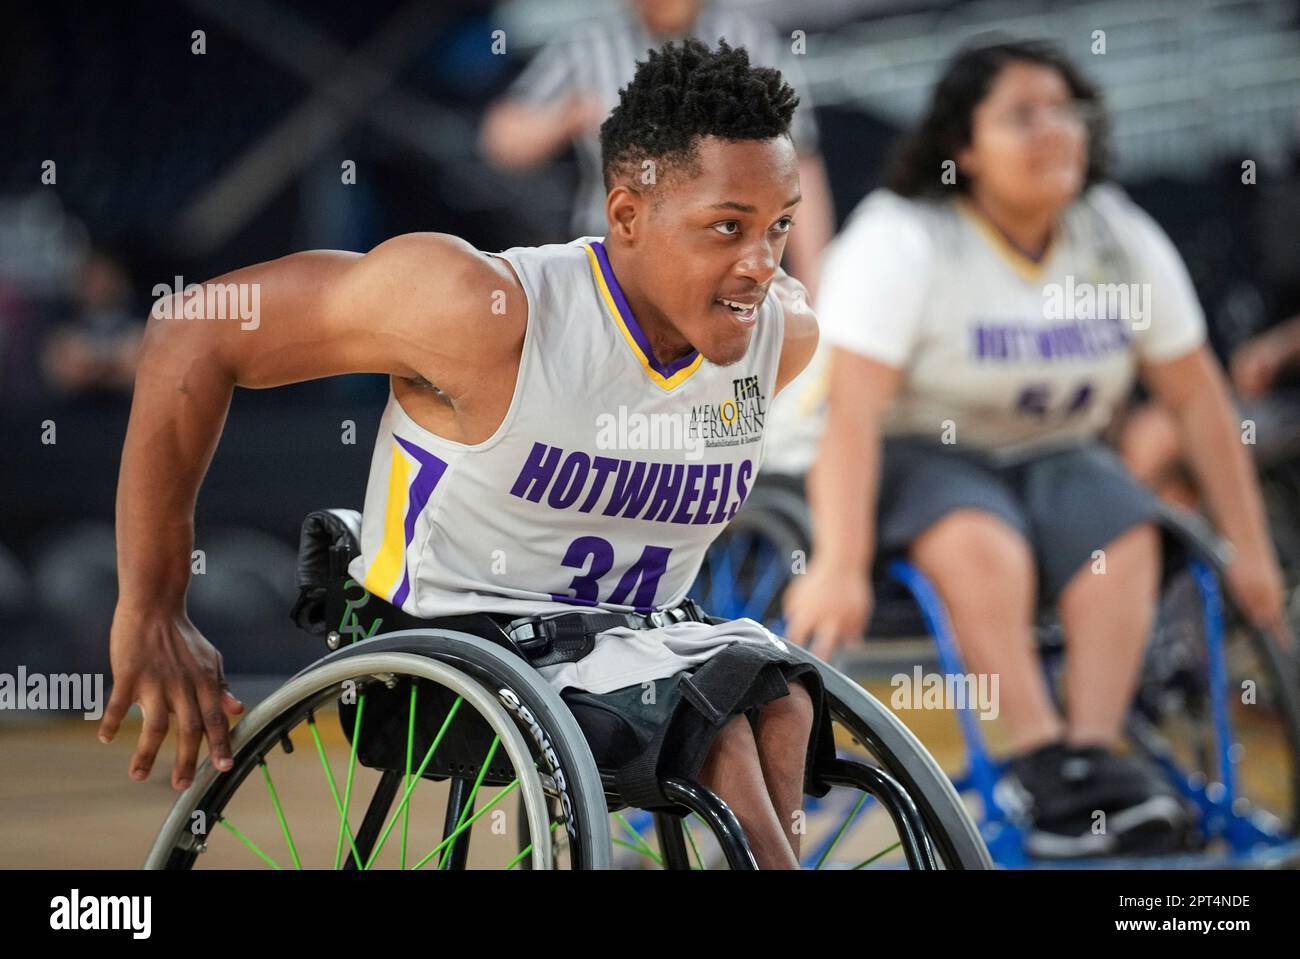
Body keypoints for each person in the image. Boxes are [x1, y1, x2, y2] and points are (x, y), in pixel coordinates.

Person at [100, 39, 833, 869]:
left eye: (779, 228)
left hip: (628, 644)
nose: (760, 264)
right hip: (441, 657)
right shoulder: (478, 313)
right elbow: (192, 329)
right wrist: (152, 604)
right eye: (727, 228)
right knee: (718, 736)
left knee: (782, 705)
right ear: (626, 215)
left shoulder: (782, 337)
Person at [782, 39, 1286, 858]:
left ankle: (1091, 759)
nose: (1055, 130)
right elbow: (851, 412)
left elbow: (1197, 395)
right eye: (1023, 115)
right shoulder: (904, 236)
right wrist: (837, 561)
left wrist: (1252, 551)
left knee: (1122, 524)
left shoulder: (1113, 231)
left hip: (1049, 448)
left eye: (1066, 111)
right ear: (964, 148)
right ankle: (1038, 760)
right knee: (980, 533)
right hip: (900, 446)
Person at [479, 0, 833, 297]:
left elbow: (799, 163)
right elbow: (502, 141)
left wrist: (812, 283)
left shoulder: (749, 40)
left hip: (724, 253)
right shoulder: (591, 44)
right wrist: (570, 115)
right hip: (614, 255)